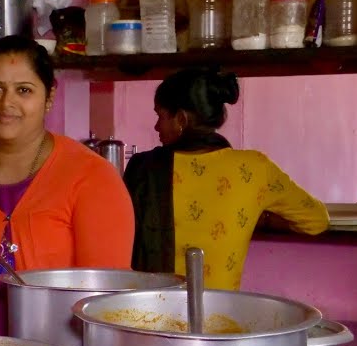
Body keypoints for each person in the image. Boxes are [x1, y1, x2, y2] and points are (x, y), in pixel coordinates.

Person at [0, 35, 134, 334]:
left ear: (48, 98)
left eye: (24, 90)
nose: (7, 103)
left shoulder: (92, 178)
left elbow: (104, 301)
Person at [123, 68, 328, 290]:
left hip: (147, 315)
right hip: (221, 314)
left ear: (181, 118)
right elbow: (316, 220)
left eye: (160, 116)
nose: (156, 127)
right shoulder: (254, 168)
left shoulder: (143, 169)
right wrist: (261, 216)